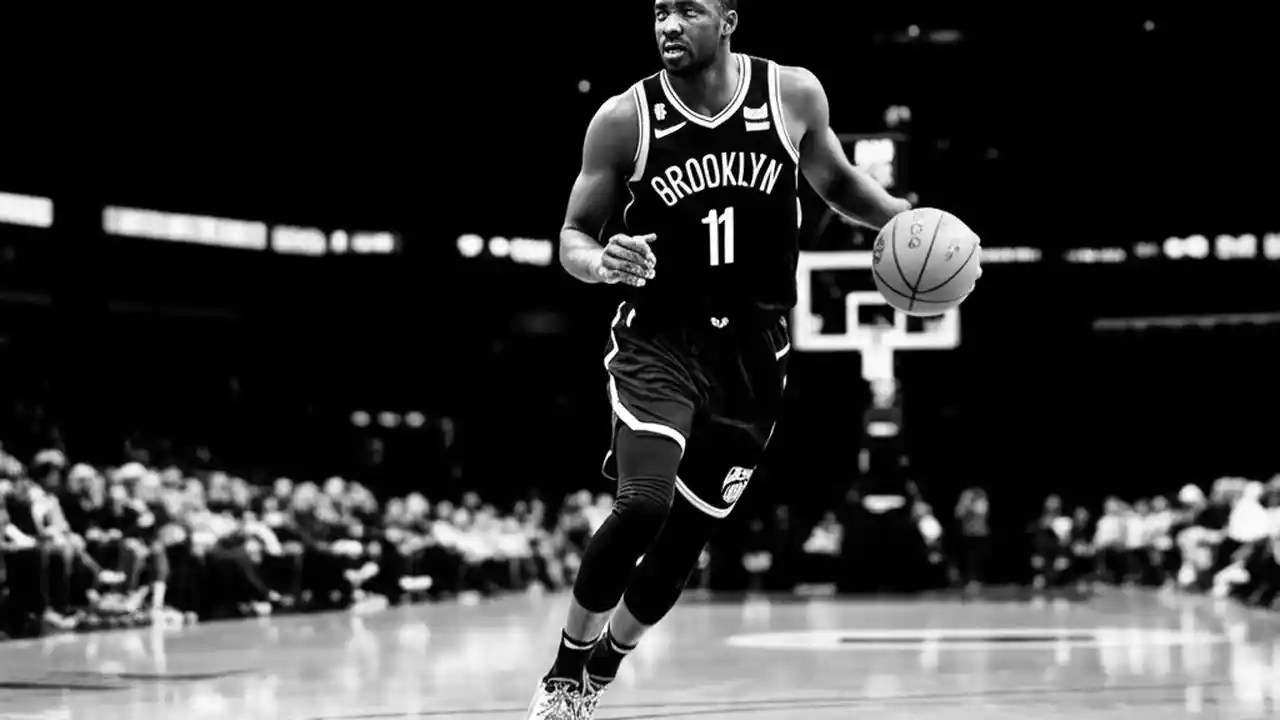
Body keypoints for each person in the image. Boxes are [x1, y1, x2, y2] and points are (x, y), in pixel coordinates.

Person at [528, 0, 912, 717]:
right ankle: (562, 673)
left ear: (729, 19)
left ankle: (604, 668)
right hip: (659, 341)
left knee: (684, 542)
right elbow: (573, 235)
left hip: (753, 357)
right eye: (659, 12)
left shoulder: (792, 94)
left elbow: (837, 184)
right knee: (643, 506)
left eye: (687, 11)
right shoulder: (623, 118)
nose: (668, 25)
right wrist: (599, 261)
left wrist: (907, 220)